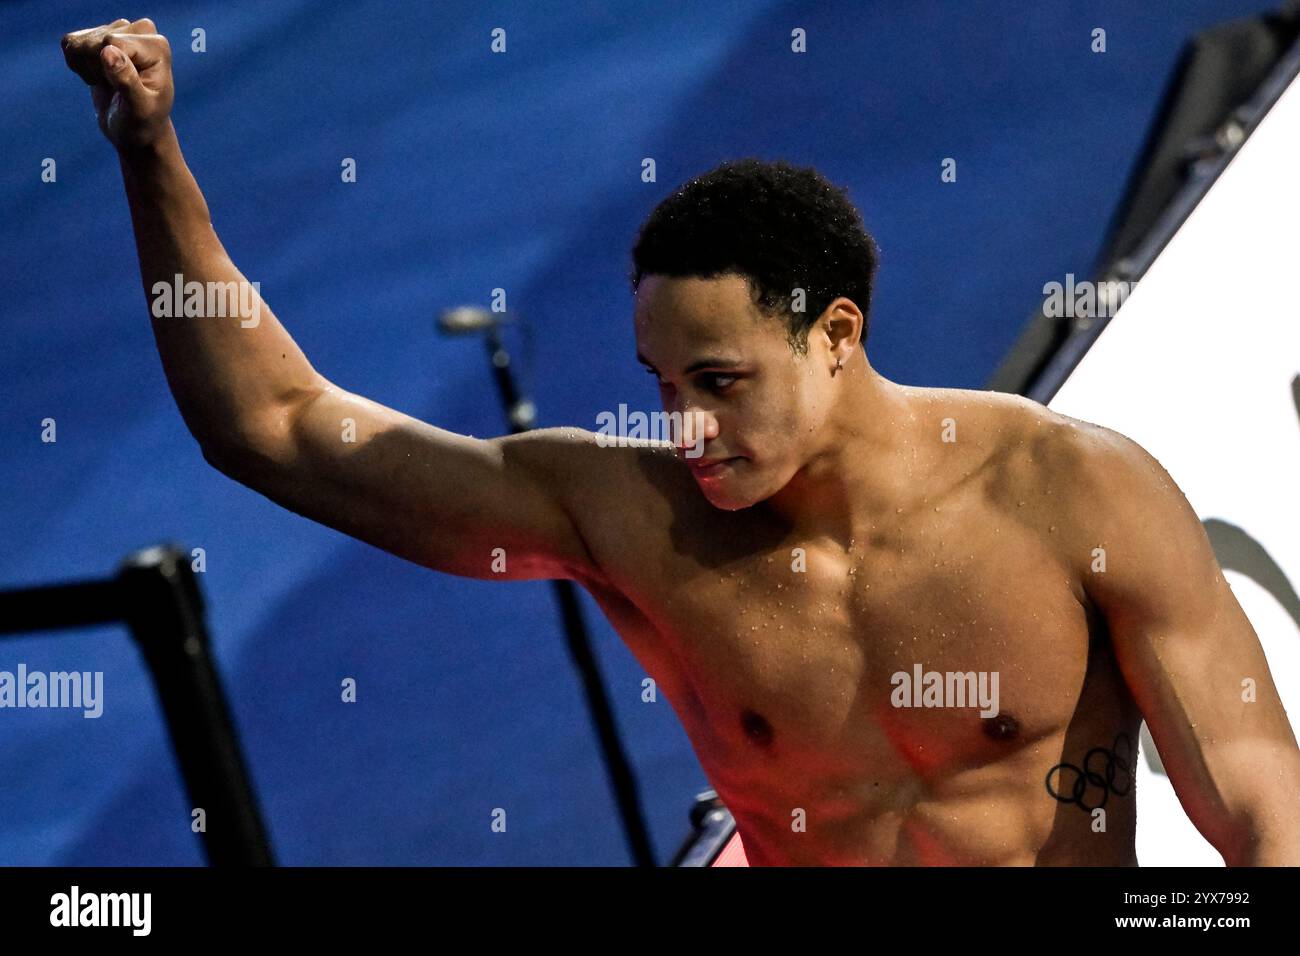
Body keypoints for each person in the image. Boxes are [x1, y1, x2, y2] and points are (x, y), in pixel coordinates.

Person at [62, 18, 1300, 865]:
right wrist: (152, 156)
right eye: (659, 382)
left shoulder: (1073, 489)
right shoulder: (627, 515)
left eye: (719, 381)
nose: (683, 427)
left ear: (837, 334)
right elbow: (275, 429)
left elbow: (1258, 803)